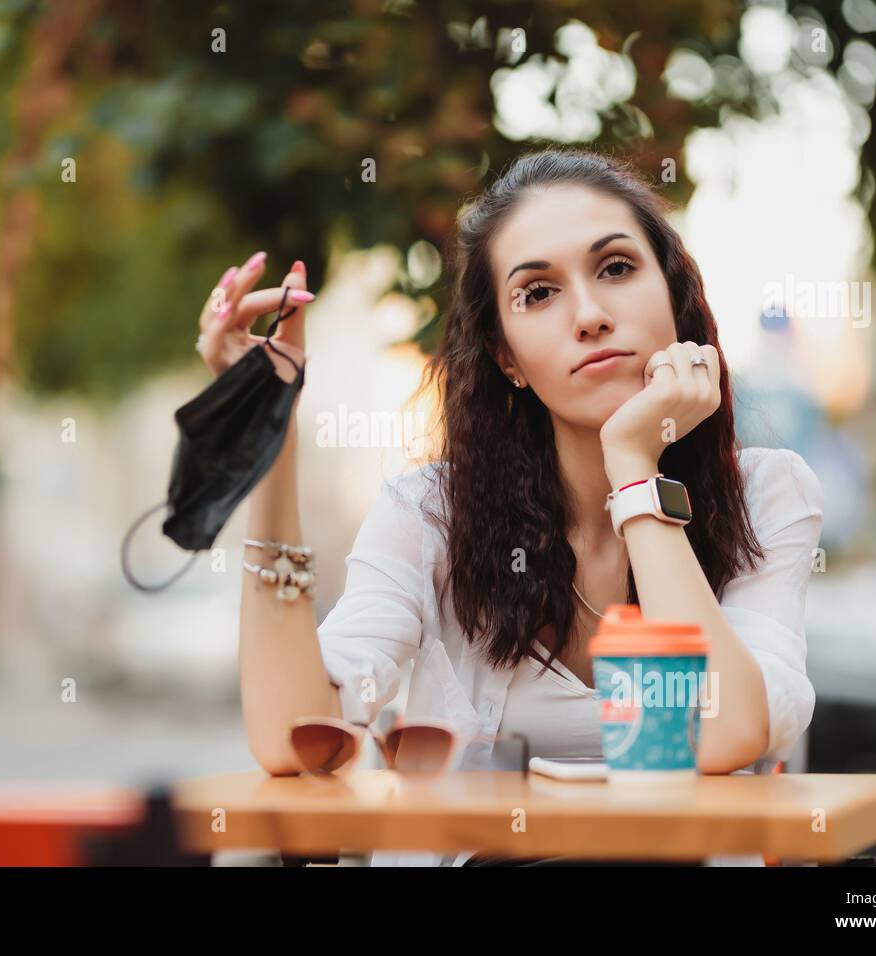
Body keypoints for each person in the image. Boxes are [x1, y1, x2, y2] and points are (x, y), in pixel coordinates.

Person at [195, 147, 824, 866]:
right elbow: (291, 736)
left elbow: (725, 732)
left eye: (616, 269)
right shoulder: (430, 514)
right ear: (507, 358)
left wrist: (634, 471)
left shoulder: (769, 496)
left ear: (676, 296)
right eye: (538, 293)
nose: (589, 315)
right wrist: (269, 437)